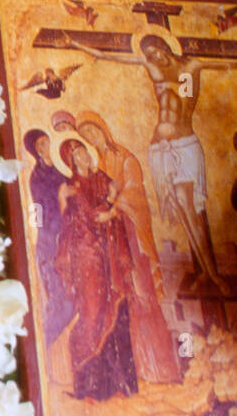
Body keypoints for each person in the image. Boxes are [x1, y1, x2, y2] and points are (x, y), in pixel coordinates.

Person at [71, 32, 235, 296]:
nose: (154, 57)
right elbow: (115, 57)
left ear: (165, 45)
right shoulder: (151, 67)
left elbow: (225, 63)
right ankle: (205, 273)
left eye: (156, 51)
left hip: (184, 145)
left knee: (193, 210)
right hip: (159, 148)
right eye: (149, 54)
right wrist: (85, 47)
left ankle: (213, 274)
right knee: (182, 212)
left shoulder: (190, 67)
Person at [74, 111, 182, 384]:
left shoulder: (125, 159)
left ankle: (161, 368)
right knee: (128, 302)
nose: (92, 139)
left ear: (104, 130)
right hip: (116, 242)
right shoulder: (99, 166)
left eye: (94, 132)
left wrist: (112, 212)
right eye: (86, 137)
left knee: (144, 294)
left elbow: (136, 194)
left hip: (133, 238)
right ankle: (140, 369)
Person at [54, 139, 138, 402]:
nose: (83, 157)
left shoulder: (105, 180)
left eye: (83, 152)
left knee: (114, 310)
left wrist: (111, 212)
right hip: (85, 254)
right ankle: (85, 380)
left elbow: (117, 209)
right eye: (76, 155)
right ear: (71, 162)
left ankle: (115, 384)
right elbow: (70, 221)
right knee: (91, 311)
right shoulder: (70, 188)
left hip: (107, 252)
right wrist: (62, 200)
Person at [22, 128, 71, 344]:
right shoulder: (37, 176)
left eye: (46, 142)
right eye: (40, 145)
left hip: (70, 228)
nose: (45, 147)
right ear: (35, 151)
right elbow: (37, 207)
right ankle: (47, 337)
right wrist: (41, 232)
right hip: (51, 232)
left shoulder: (63, 168)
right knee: (58, 289)